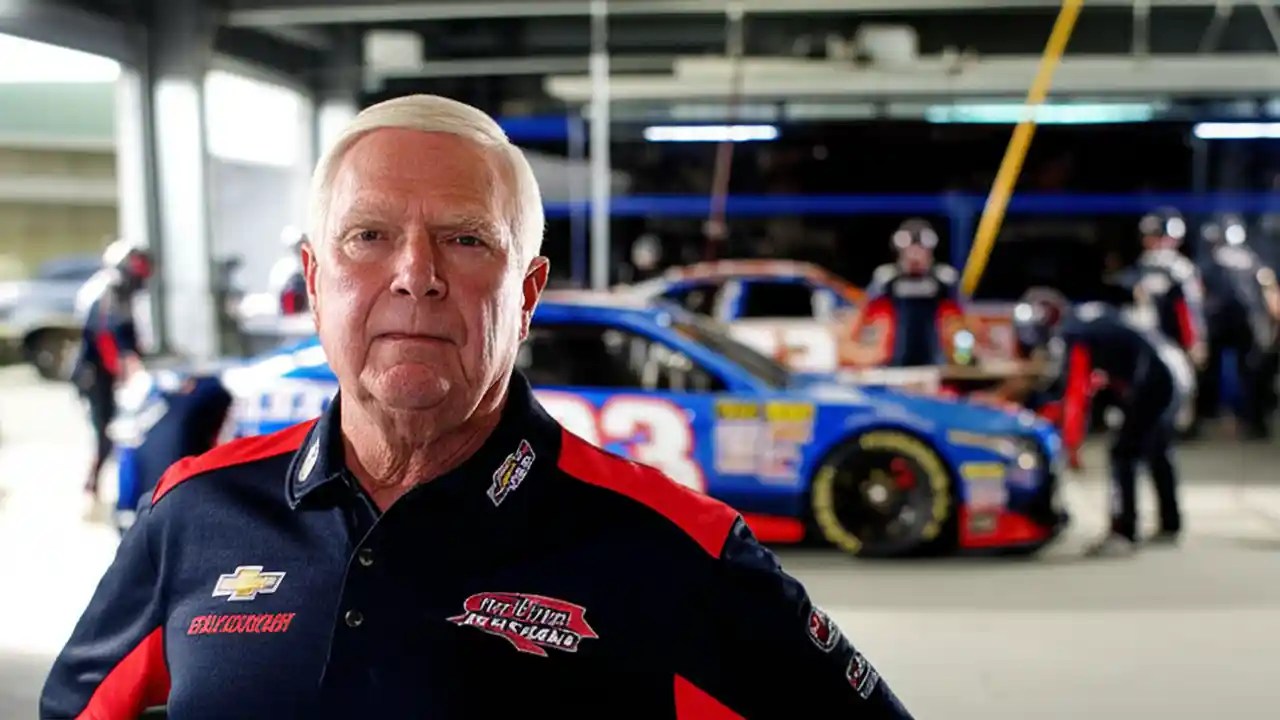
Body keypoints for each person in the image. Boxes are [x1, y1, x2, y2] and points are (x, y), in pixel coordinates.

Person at [42, 95, 914, 719]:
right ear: (314, 281)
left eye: (465, 240)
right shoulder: (194, 515)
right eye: (368, 236)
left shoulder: (677, 550)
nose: (415, 274)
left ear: (527, 292)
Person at [1005, 287, 1193, 557]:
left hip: (1157, 378)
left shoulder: (1075, 335)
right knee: (1156, 448)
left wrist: (1071, 445)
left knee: (1123, 453)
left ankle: (1123, 531)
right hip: (1175, 368)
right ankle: (1170, 523)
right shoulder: (1089, 316)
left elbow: (1076, 393)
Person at [69, 239, 152, 501]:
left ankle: (97, 485)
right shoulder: (106, 291)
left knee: (114, 430)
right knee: (105, 431)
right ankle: (91, 487)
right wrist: (126, 369)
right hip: (95, 375)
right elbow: (108, 335)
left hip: (108, 372)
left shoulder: (119, 292)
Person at [845, 218, 974, 367]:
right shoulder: (887, 277)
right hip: (895, 358)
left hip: (934, 358)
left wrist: (964, 353)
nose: (915, 257)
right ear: (901, 252)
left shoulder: (944, 278)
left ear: (929, 252)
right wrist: (854, 346)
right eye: (910, 251)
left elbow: (964, 319)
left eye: (920, 251)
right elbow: (863, 309)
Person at [1195, 215, 1280, 438]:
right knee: (1252, 374)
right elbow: (1271, 293)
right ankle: (1255, 423)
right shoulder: (1253, 259)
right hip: (1250, 323)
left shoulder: (1212, 260)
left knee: (1207, 371)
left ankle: (1200, 420)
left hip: (1218, 322)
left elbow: (1198, 292)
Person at [1123, 208, 1208, 369]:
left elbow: (1185, 307)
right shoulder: (1178, 268)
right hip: (1161, 348)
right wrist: (1193, 342)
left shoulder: (1176, 269)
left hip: (1152, 346)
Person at [269, 225, 310, 315]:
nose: (300, 247)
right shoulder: (282, 268)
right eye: (298, 244)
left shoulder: (312, 263)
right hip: (289, 320)